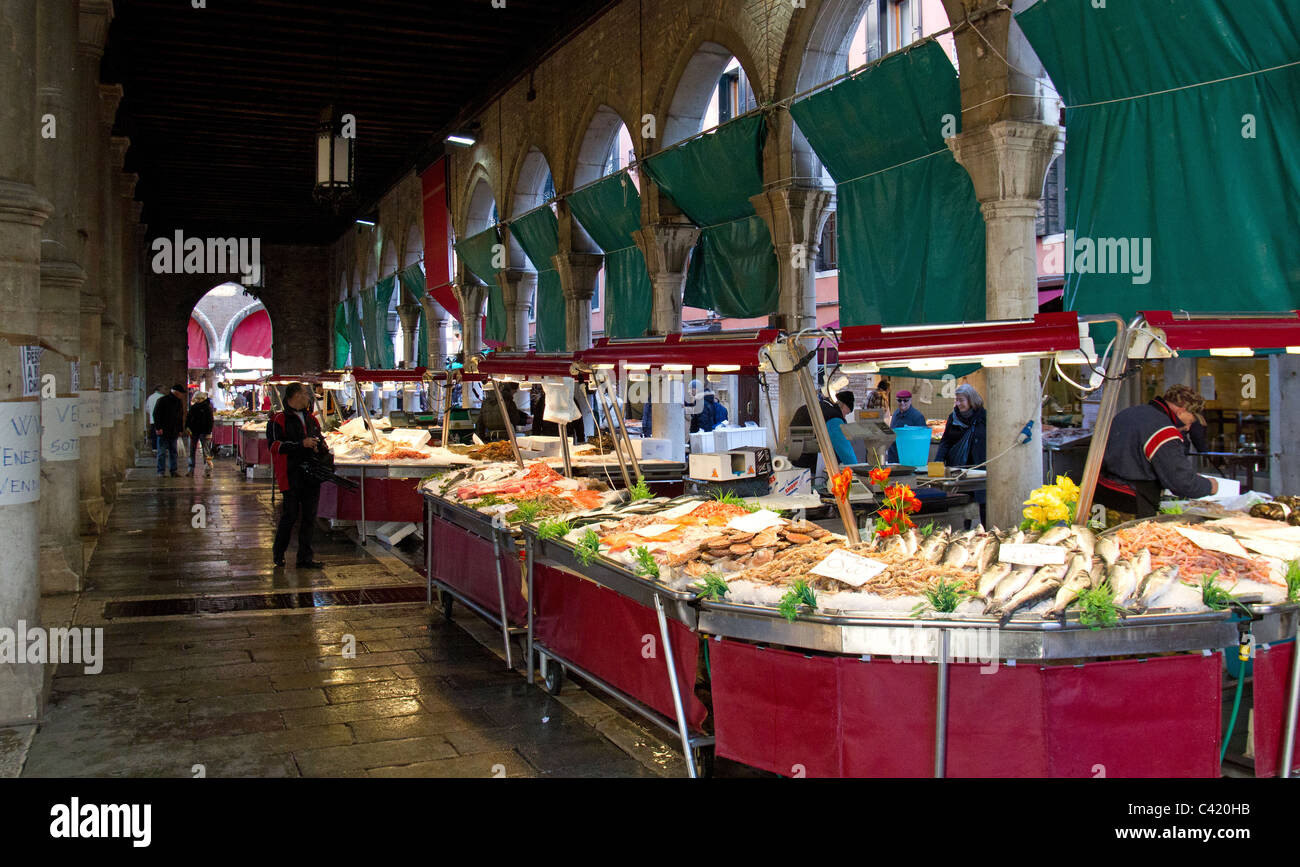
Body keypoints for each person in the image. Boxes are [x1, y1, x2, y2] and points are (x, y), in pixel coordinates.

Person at [1096, 386, 1216, 518]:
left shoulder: (1128, 413)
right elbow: (1182, 482)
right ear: (1182, 411)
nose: (1188, 427)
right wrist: (1209, 485)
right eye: (1191, 421)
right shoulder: (1164, 431)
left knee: (1099, 536)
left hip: (1099, 499)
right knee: (1123, 539)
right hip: (1130, 505)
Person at [267, 382, 331, 568]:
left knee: (310, 517)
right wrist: (300, 445)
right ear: (294, 396)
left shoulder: (312, 419)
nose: (308, 396)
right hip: (291, 474)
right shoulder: (277, 420)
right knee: (290, 515)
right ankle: (278, 553)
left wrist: (319, 446)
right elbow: (274, 446)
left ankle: (305, 558)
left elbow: (320, 440)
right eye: (305, 393)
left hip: (311, 475)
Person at [790, 389, 857, 470]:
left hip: (793, 459)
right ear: (842, 405)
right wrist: (856, 469)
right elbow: (844, 449)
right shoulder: (833, 417)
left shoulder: (812, 407)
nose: (844, 416)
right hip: (810, 463)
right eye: (846, 413)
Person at [935, 384, 987, 468]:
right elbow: (945, 442)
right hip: (956, 468)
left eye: (961, 400)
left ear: (971, 400)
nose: (958, 403)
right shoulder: (953, 417)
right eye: (956, 400)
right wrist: (938, 461)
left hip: (979, 467)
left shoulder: (984, 417)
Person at [884, 389, 926, 463]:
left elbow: (921, 442)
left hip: (909, 457)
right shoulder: (895, 414)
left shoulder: (917, 416)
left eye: (905, 400)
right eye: (899, 400)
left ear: (910, 401)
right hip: (894, 455)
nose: (902, 403)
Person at [152, 384, 186, 477]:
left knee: (173, 452)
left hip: (173, 431)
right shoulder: (163, 400)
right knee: (162, 452)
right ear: (176, 392)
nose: (182, 395)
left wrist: (180, 429)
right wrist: (158, 428)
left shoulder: (179, 402)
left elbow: (180, 417)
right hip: (163, 431)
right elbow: (156, 414)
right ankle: (161, 471)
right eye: (181, 393)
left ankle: (173, 470)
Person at [185, 391, 216, 477]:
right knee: (193, 451)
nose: (197, 400)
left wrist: (208, 432)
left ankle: (207, 471)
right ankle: (192, 471)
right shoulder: (194, 407)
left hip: (203, 432)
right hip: (194, 432)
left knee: (205, 452)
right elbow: (188, 418)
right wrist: (187, 427)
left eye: (198, 399)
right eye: (196, 399)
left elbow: (210, 421)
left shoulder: (207, 408)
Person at [144, 384, 166, 452]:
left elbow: (147, 408)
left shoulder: (150, 397)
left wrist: (151, 414)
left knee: (154, 434)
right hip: (161, 420)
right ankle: (161, 447)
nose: (165, 390)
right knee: (161, 435)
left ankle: (154, 447)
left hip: (152, 420)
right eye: (164, 389)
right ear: (159, 389)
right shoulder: (163, 397)